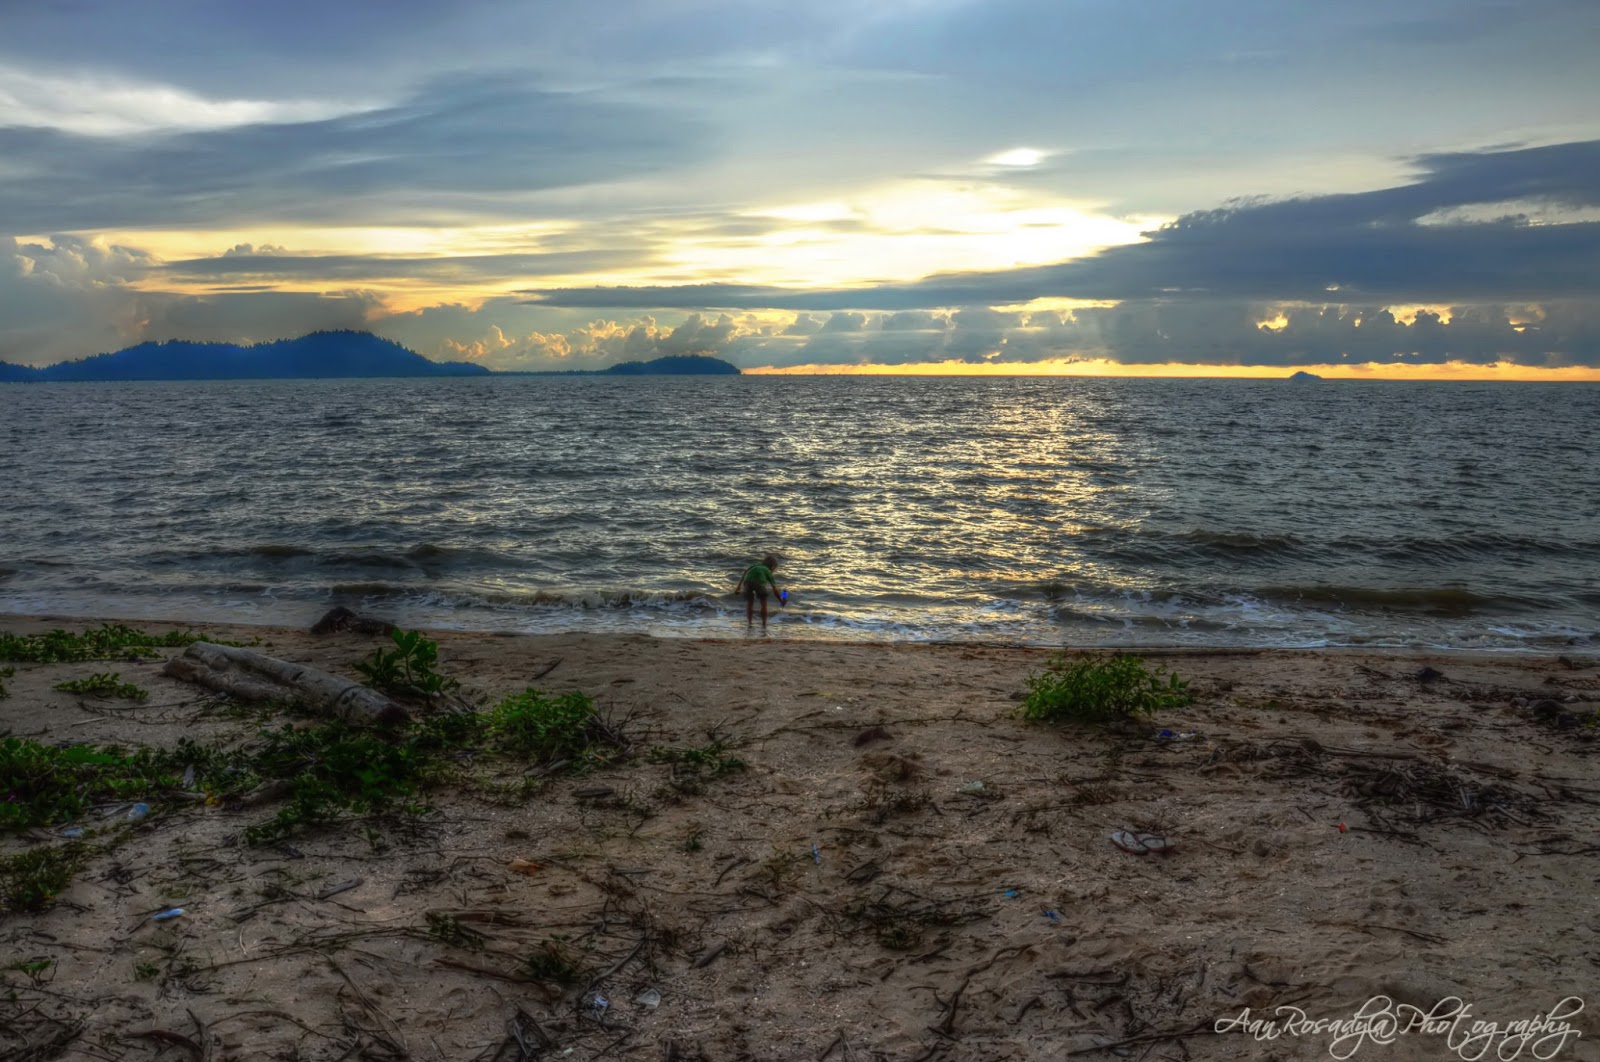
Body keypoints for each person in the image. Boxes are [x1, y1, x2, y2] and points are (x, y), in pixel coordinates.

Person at [735, 554, 784, 630]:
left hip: (747, 581)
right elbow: (775, 590)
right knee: (763, 603)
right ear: (772, 566)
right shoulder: (768, 571)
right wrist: (781, 600)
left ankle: (750, 624)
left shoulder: (754, 566)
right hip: (759, 583)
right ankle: (764, 624)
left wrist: (738, 587)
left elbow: (745, 573)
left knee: (750, 603)